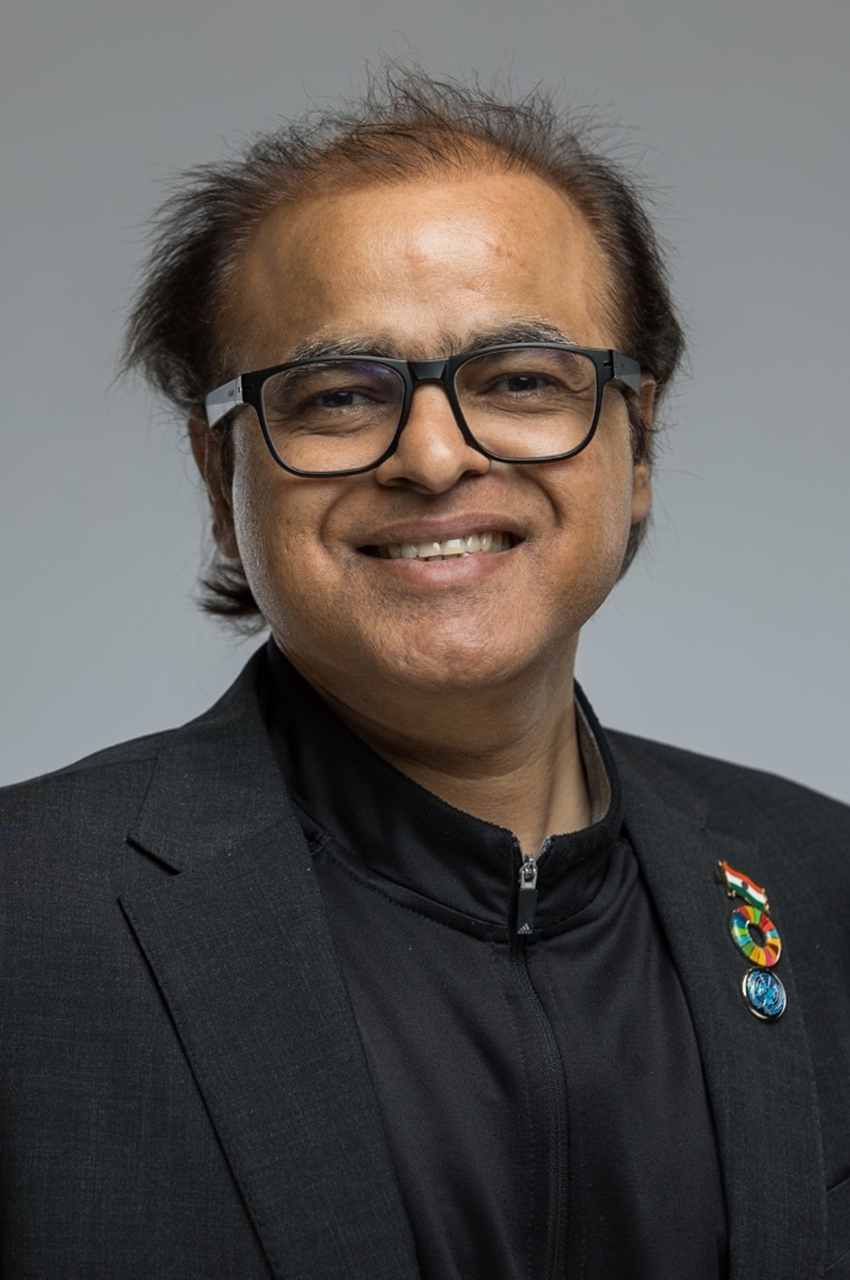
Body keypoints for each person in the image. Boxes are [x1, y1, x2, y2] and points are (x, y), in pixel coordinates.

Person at [1, 69, 848, 1280]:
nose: (436, 457)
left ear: (637, 445)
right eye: (340, 396)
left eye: (521, 379)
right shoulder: (26, 918)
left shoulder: (822, 881)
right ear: (218, 478)